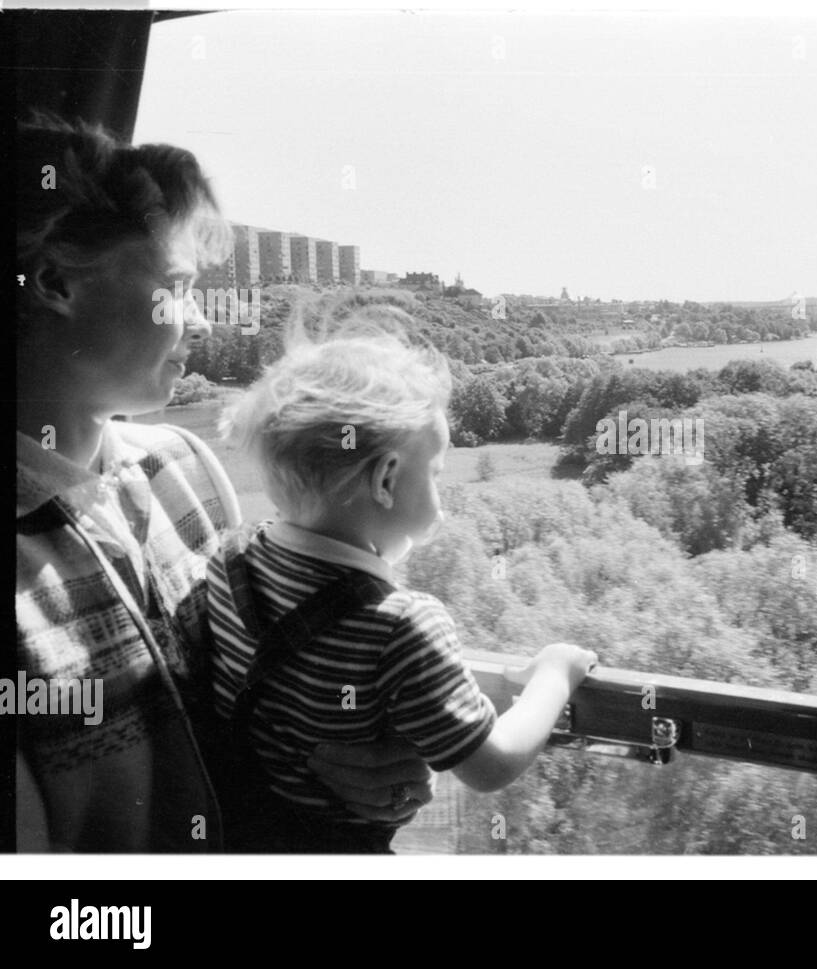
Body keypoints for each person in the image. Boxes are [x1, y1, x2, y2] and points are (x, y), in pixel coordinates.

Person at [14, 115, 439, 851]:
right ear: (54, 281)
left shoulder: (185, 470)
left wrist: (323, 761)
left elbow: (247, 702)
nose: (202, 321)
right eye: (175, 285)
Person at [207, 306, 597, 851]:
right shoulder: (402, 625)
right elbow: (492, 763)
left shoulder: (231, 563)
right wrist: (556, 673)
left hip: (244, 835)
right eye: (434, 472)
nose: (441, 488)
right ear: (387, 479)